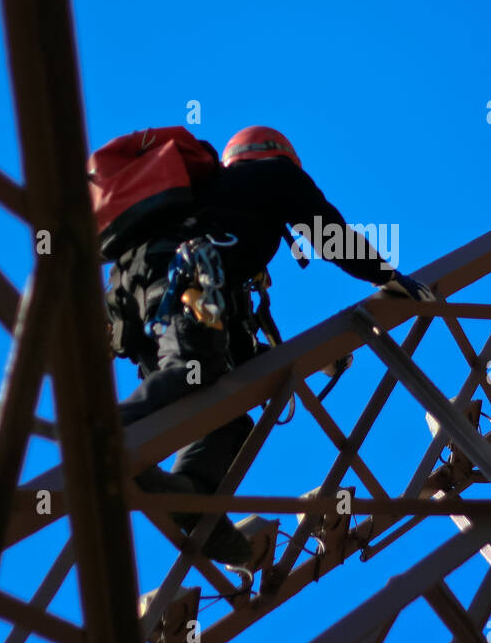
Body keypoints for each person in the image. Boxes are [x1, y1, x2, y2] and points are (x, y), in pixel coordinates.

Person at [118, 126, 434, 565]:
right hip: (180, 296)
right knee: (195, 372)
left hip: (152, 316)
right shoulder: (272, 175)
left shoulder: (215, 208)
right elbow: (329, 234)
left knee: (226, 409)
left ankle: (187, 497)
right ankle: (108, 434)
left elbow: (240, 355)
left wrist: (308, 362)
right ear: (278, 154)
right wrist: (387, 276)